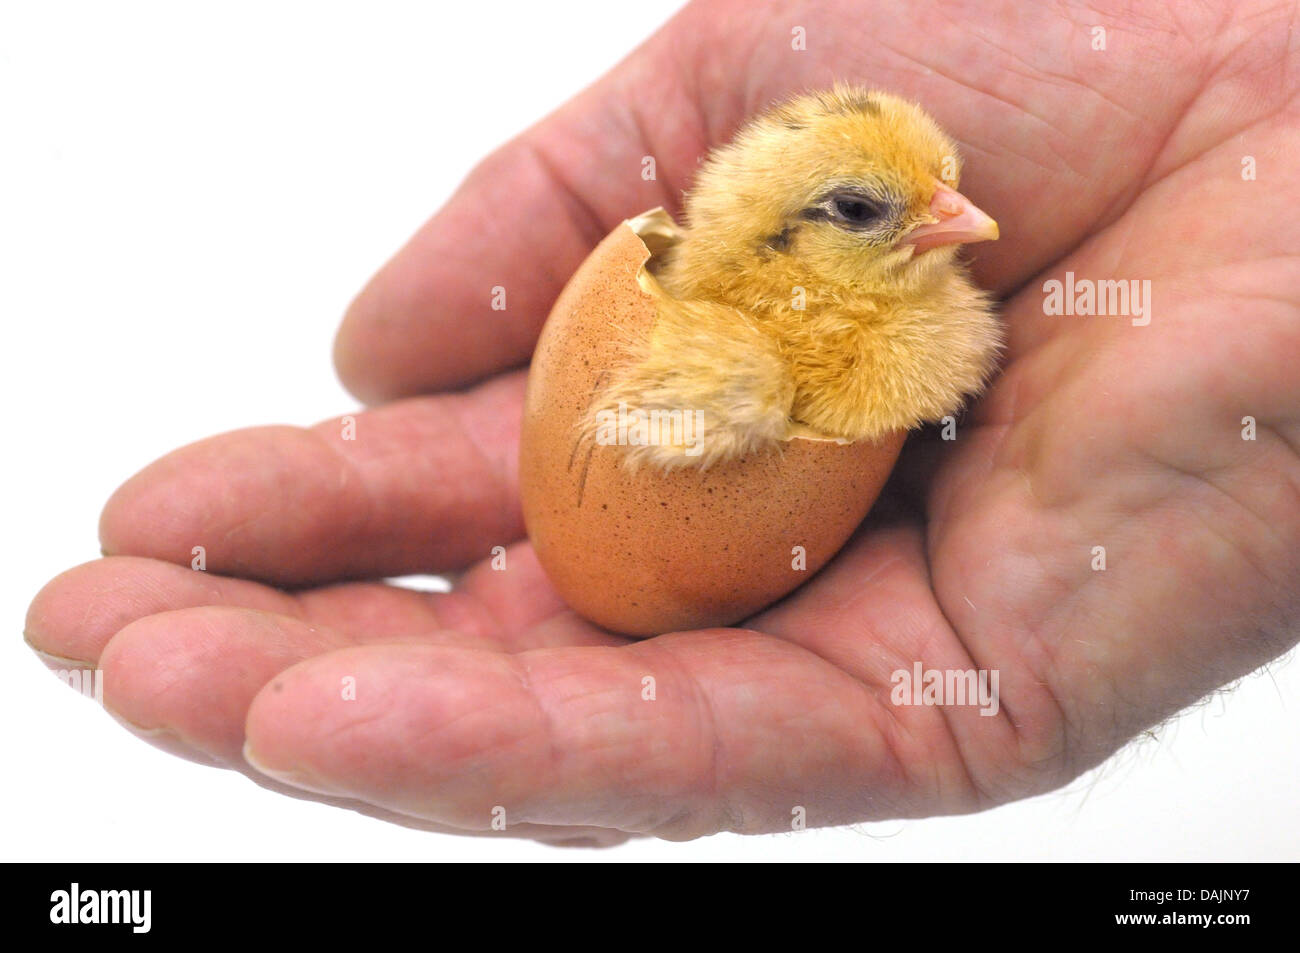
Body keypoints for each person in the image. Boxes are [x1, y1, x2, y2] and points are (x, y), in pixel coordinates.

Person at [25, 0, 1300, 846]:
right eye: (877, 209)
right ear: (775, 231)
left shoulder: (908, 317)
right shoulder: (722, 354)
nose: (956, 221)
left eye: (941, 193)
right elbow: (674, 412)